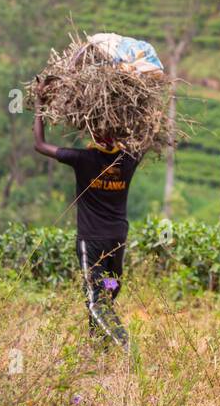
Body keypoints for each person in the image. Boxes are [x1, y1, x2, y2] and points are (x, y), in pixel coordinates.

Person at [33, 106, 141, 348]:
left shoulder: (82, 159)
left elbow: (40, 145)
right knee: (111, 286)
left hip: (90, 241)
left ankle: (125, 345)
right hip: (117, 239)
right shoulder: (128, 160)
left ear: (93, 133)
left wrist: (40, 103)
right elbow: (144, 136)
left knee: (95, 299)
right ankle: (98, 345)